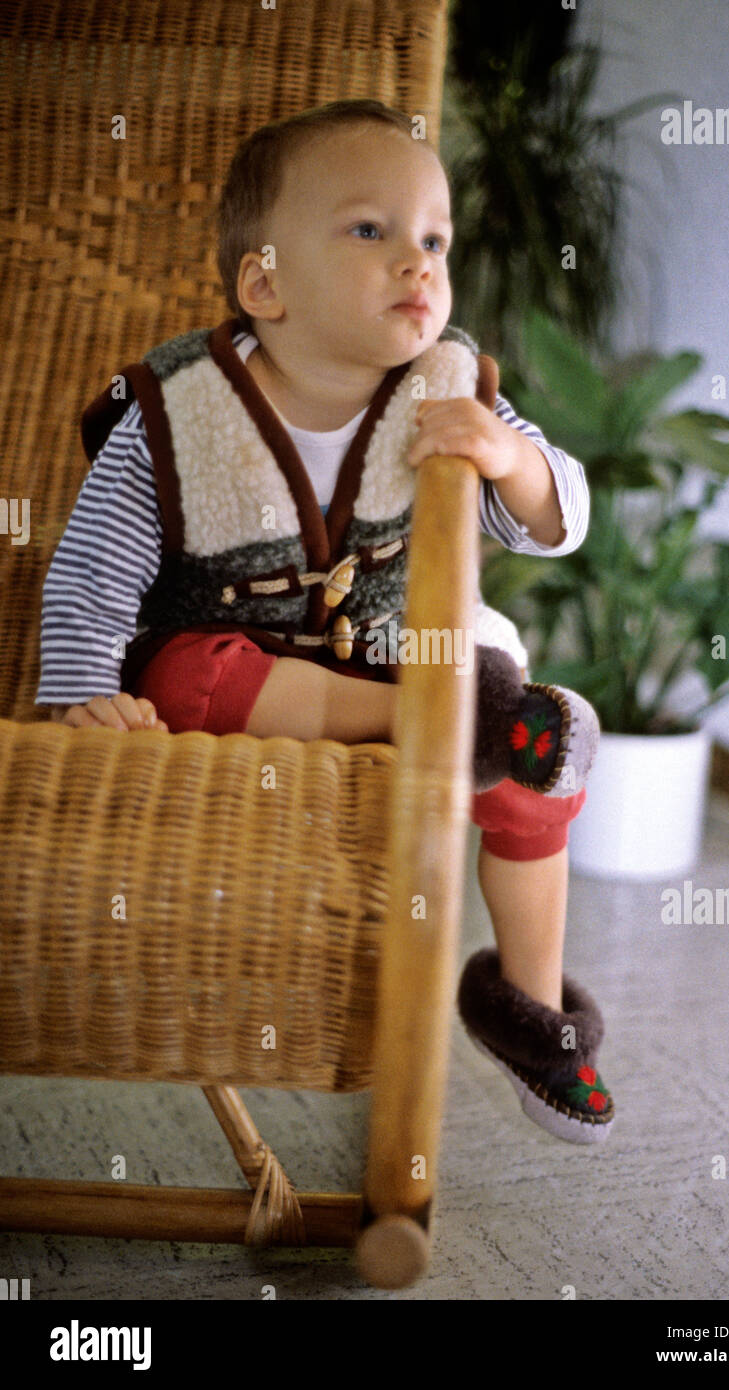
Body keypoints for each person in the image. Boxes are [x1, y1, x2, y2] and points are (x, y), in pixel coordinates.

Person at [36, 99, 613, 1144]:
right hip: (239, 665)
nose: (418, 262)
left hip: (411, 655)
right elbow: (91, 572)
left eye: (433, 239)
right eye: (370, 231)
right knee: (182, 676)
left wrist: (509, 457)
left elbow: (560, 515)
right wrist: (82, 697)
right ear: (265, 283)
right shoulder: (176, 411)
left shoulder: (445, 396)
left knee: (540, 760)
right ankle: (446, 726)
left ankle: (536, 1020)